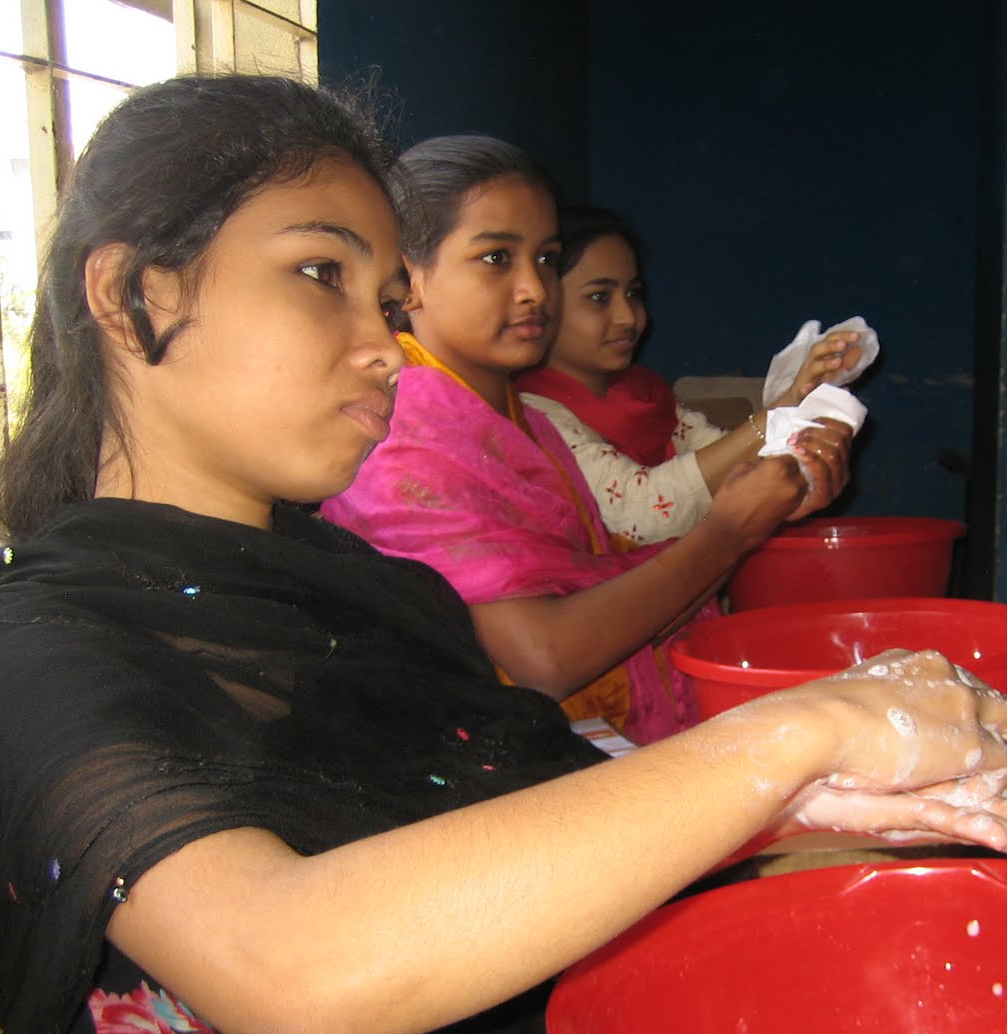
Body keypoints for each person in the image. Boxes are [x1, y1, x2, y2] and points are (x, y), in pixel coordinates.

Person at [0, 74, 1007, 1034]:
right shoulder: (33, 651)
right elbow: (293, 968)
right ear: (134, 293)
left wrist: (795, 802)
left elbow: (519, 812)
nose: (385, 346)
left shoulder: (371, 593)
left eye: (389, 303)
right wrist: (784, 741)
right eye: (317, 274)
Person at [319, 138, 852, 745]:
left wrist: (763, 514)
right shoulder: (400, 439)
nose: (534, 290)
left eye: (546, 259)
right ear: (408, 280)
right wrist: (730, 530)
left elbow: (610, 598)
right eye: (496, 258)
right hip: (475, 781)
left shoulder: (525, 424)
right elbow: (544, 659)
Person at [517, 204, 865, 544]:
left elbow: (732, 466)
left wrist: (805, 455)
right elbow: (641, 510)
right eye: (598, 297)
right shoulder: (530, 414)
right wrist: (779, 411)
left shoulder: (644, 395)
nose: (628, 316)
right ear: (543, 304)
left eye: (633, 294)